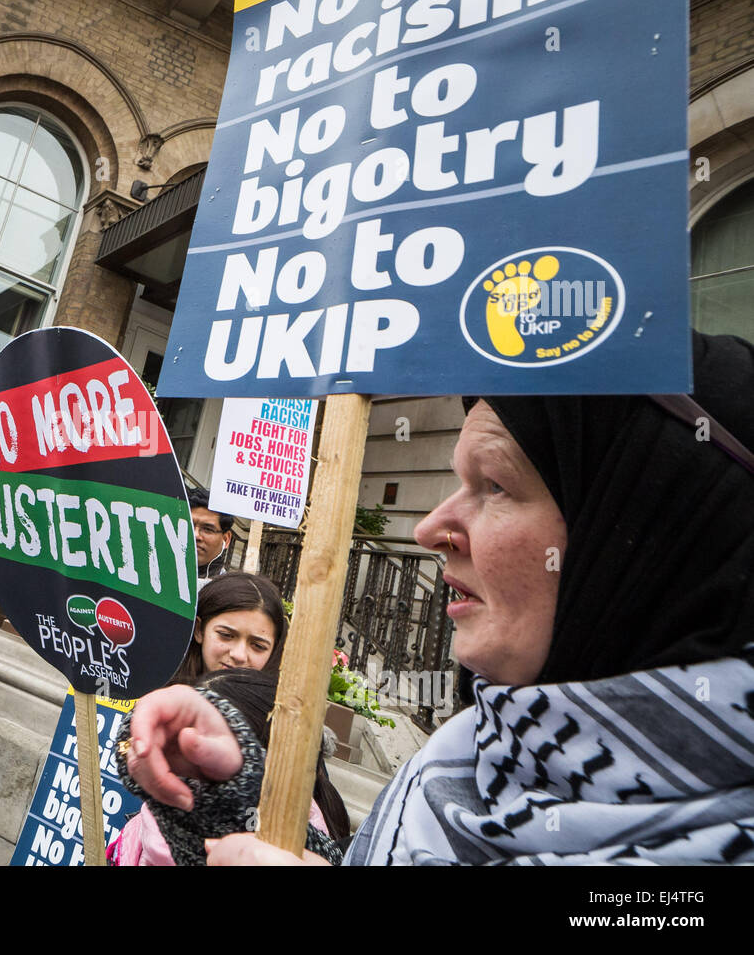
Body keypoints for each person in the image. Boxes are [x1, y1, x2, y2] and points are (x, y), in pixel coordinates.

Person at [120, 331, 754, 865]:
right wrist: (224, 790)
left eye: (496, 484)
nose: (429, 529)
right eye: (458, 480)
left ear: (647, 533)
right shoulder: (468, 754)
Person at [107, 572, 349, 864]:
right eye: (226, 635)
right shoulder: (161, 704)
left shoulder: (284, 725)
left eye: (257, 645)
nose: (238, 655)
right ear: (199, 630)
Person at [188, 487, 232, 589]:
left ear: (226, 539)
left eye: (207, 529)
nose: (195, 535)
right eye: (189, 525)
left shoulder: (230, 594)